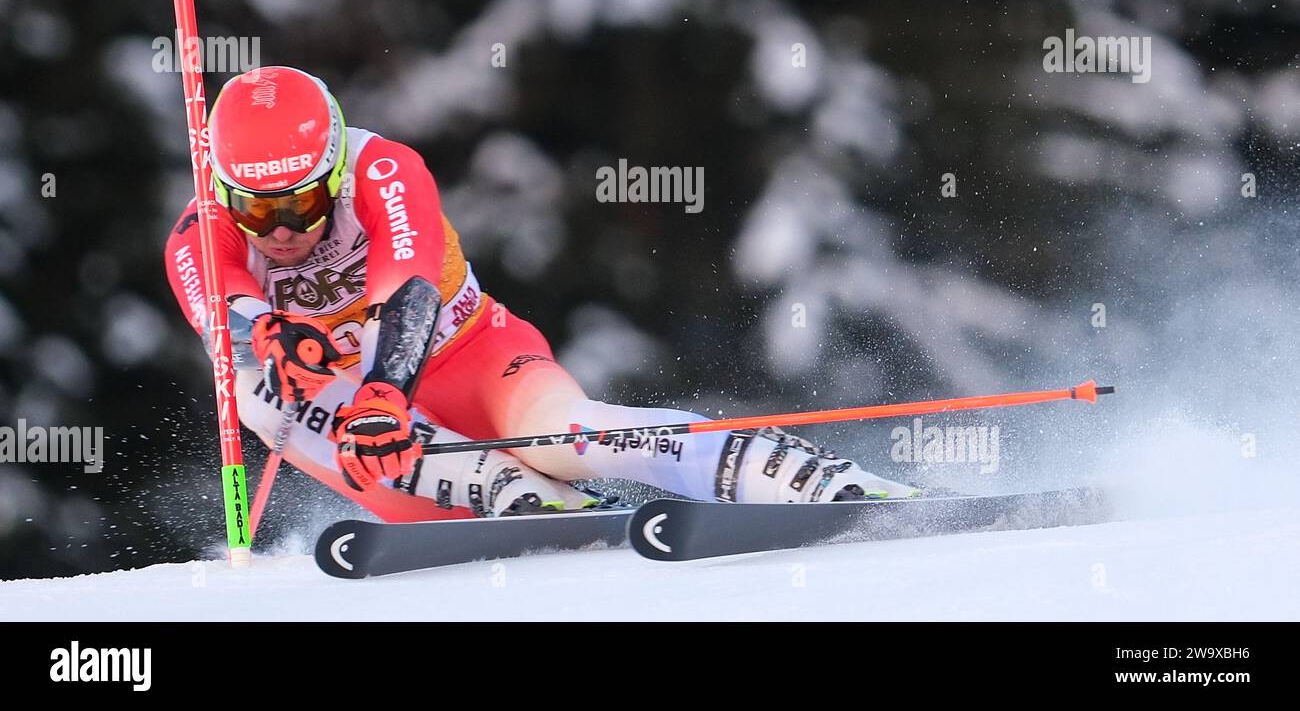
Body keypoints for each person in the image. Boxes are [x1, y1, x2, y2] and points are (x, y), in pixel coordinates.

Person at [165, 66, 917, 522]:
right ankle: (506, 492)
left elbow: (410, 285)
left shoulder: (384, 170)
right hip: (384, 453)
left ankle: (812, 480)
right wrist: (266, 327)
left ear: (333, 171)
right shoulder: (197, 231)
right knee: (252, 391)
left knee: (576, 437)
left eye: (301, 203)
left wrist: (387, 395)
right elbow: (219, 313)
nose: (283, 228)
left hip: (472, 361)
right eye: (257, 209)